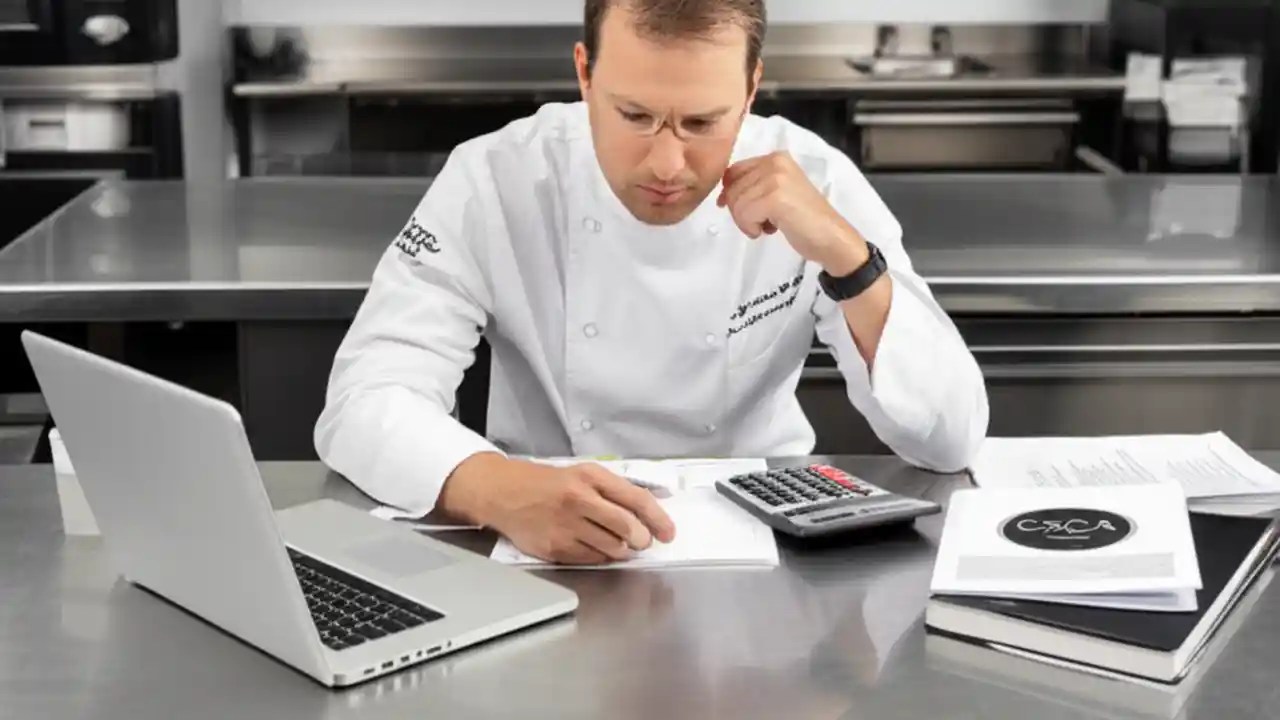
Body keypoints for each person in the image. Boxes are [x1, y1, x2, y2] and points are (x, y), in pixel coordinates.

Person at [315, 0, 989, 565]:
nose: (667, 163)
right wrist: (495, 488)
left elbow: (951, 437)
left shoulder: (819, 180)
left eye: (702, 123)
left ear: (752, 90)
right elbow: (366, 397)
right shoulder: (495, 178)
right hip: (542, 546)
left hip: (774, 557)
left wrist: (848, 257)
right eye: (634, 116)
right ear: (584, 74)